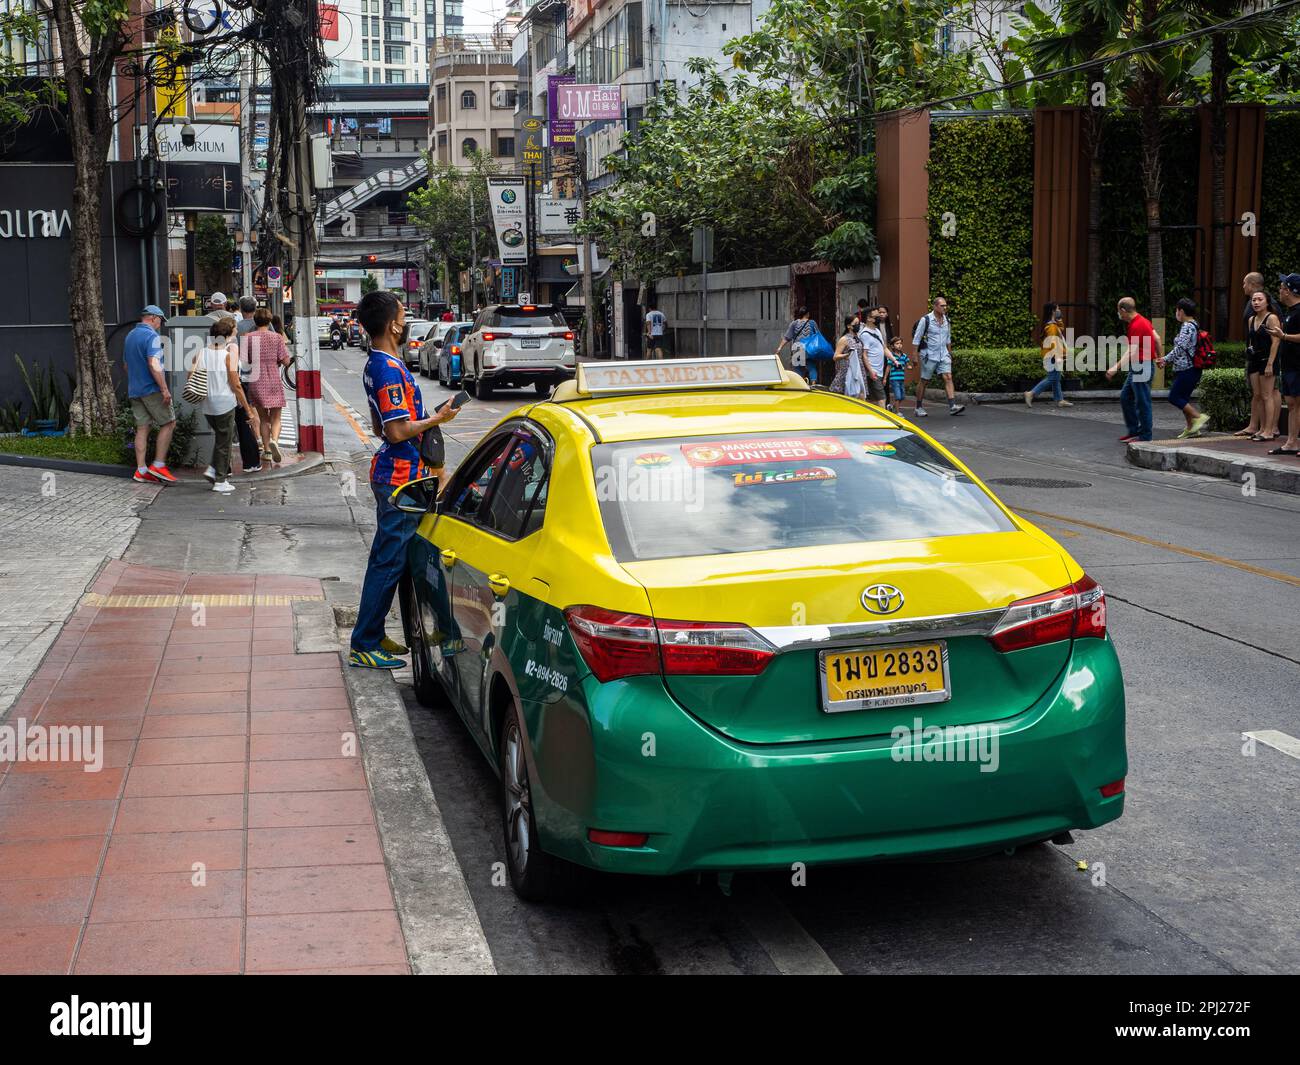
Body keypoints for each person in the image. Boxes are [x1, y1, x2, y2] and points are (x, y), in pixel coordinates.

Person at [350, 291, 461, 670]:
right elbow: (396, 431)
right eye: (402, 314)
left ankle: (377, 633)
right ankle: (364, 642)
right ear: (394, 325)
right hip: (401, 481)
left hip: (404, 477)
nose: (407, 318)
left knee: (401, 559)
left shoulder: (382, 364)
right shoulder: (386, 368)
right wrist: (437, 419)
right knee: (388, 561)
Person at [198, 317, 258, 494]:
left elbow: (191, 377)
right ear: (227, 334)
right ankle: (220, 480)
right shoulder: (226, 356)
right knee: (225, 442)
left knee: (221, 438)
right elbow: (236, 385)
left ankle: (212, 469)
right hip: (224, 402)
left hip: (207, 404)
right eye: (234, 330)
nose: (236, 332)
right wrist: (248, 410)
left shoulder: (201, 352)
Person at [123, 305, 178, 485]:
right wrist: (164, 388)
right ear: (153, 318)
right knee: (169, 423)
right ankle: (158, 464)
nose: (160, 325)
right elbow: (154, 363)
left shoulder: (130, 336)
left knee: (142, 428)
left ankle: (141, 470)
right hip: (151, 389)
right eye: (160, 321)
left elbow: (125, 366)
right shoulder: (151, 336)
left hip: (134, 389)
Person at [1105, 296, 1161, 443]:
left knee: (1142, 402)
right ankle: (1134, 432)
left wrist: (1114, 368)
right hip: (1140, 365)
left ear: (1123, 310)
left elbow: (1131, 351)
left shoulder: (1136, 325)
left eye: (1119, 311)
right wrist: (1159, 358)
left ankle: (1145, 436)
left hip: (1141, 366)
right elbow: (1157, 339)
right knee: (1125, 397)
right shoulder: (1144, 321)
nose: (1118, 314)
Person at [1157, 297, 1211, 439]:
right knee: (1183, 399)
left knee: (1174, 397)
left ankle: (1198, 417)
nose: (1176, 312)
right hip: (1190, 369)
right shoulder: (1193, 324)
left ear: (1181, 311)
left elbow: (1180, 348)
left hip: (1188, 369)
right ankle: (1192, 429)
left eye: (1177, 310)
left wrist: (1165, 359)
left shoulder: (1187, 326)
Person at [245, 308, 293, 466]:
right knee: (276, 417)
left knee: (263, 419)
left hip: (256, 380)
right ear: (269, 321)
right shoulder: (277, 338)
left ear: (255, 321)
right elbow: (286, 362)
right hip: (273, 379)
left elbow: (244, 362)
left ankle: (266, 451)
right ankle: (275, 441)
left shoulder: (248, 338)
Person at [1263, 273, 1300, 457]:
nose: (1279, 291)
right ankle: (1291, 442)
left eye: (1282, 287)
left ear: (1289, 291)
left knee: (1298, 403)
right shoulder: (1289, 312)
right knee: (1292, 404)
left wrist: (1283, 336)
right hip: (1289, 365)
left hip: (1297, 365)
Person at [912, 295, 964, 416]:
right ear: (935, 306)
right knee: (925, 380)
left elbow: (948, 338)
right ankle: (918, 407)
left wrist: (950, 354)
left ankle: (952, 406)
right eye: (942, 305)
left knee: (948, 377)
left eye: (945, 305)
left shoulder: (947, 320)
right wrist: (914, 355)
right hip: (929, 355)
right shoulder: (926, 320)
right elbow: (917, 338)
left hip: (943, 354)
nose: (945, 308)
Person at [1241, 289, 1281, 441]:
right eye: (1254, 300)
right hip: (1254, 360)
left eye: (1259, 299)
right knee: (1257, 395)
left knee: (1267, 395)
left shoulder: (1272, 318)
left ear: (1267, 302)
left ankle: (1269, 430)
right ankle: (1262, 428)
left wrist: (1270, 363)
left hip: (1267, 360)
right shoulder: (1251, 319)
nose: (1256, 302)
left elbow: (1276, 342)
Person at [232, 297, 263, 473]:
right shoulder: (262, 324)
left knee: (249, 409)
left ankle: (257, 438)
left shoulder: (238, 329)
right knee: (261, 411)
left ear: (241, 309)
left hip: (243, 374)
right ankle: (264, 443)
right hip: (262, 372)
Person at [1025, 302, 1073, 407]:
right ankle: (1031, 393)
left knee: (1056, 378)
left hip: (1051, 355)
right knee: (1052, 378)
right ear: (1053, 311)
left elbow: (1060, 330)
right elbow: (1053, 342)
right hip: (1053, 356)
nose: (1059, 310)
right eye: (1058, 309)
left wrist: (1059, 320)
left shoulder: (1053, 324)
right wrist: (1057, 357)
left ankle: (1060, 400)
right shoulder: (1051, 326)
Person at [775, 306, 818, 381]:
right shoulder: (812, 323)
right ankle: (813, 384)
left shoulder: (794, 324)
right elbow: (818, 337)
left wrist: (780, 348)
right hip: (809, 349)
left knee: (798, 370)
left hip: (797, 349)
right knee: (812, 367)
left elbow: (786, 338)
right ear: (808, 314)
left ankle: (800, 385)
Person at [830, 316, 866, 399]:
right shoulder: (844, 339)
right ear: (849, 326)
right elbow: (835, 356)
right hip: (847, 370)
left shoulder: (858, 338)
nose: (858, 325)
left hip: (859, 370)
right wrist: (845, 355)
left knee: (860, 396)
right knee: (846, 397)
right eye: (855, 324)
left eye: (859, 323)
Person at [859, 307, 889, 406]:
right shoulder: (865, 334)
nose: (880, 317)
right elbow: (864, 355)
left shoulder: (877, 331)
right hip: (873, 371)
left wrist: (894, 360)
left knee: (872, 401)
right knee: (882, 399)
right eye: (877, 316)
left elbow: (884, 348)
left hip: (879, 371)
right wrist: (871, 371)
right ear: (869, 318)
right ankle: (883, 420)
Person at [885, 336, 910, 413]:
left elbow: (907, 364)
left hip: (901, 379)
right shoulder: (892, 357)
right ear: (892, 346)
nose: (899, 345)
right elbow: (888, 367)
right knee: (898, 396)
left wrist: (909, 366)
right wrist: (885, 378)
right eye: (897, 343)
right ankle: (897, 412)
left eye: (900, 343)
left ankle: (892, 407)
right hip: (894, 379)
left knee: (902, 397)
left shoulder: (904, 356)